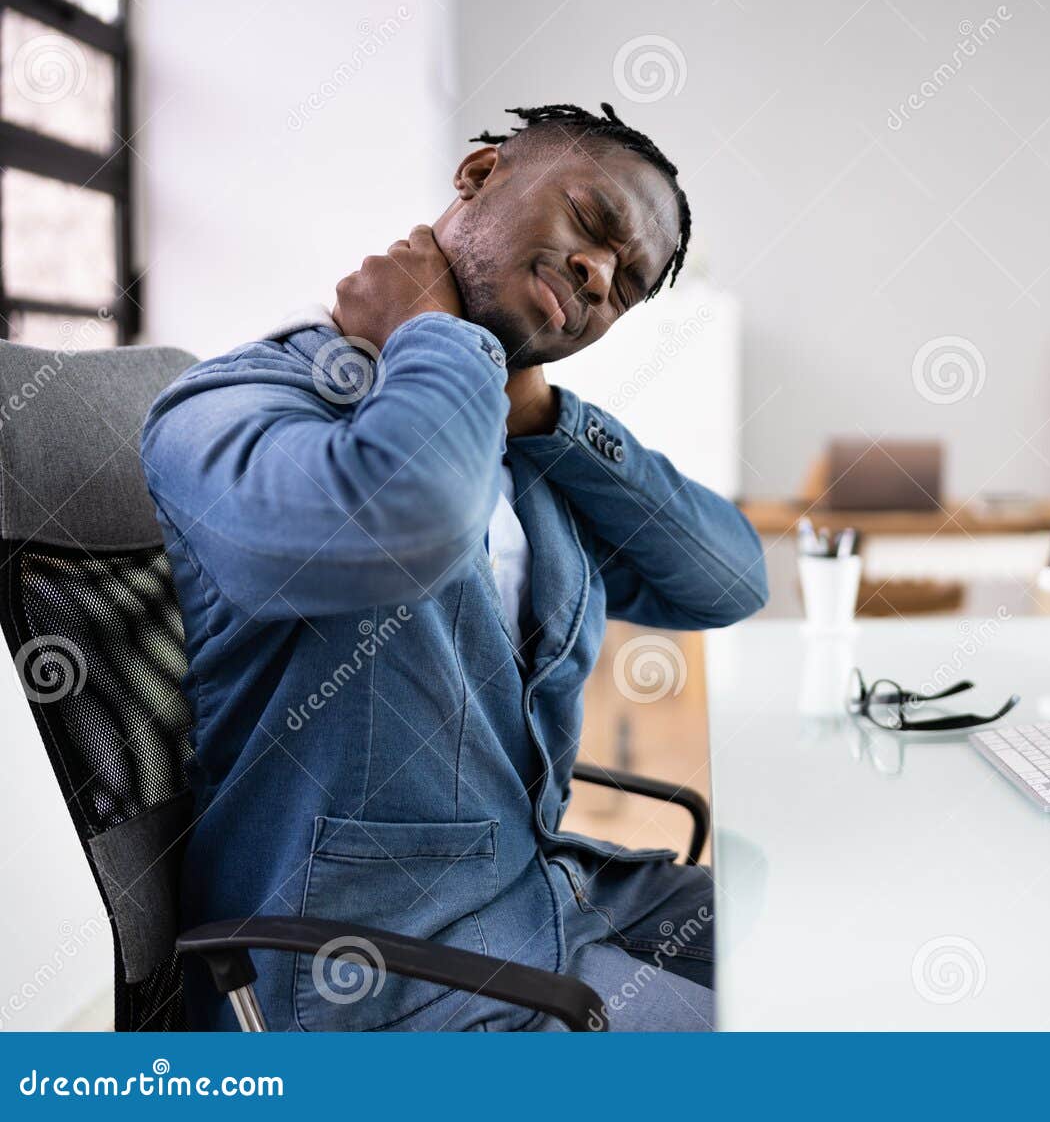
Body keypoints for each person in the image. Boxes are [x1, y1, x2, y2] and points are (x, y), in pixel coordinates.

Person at [141, 103, 767, 1032]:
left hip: (549, 895)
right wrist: (444, 338)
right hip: (375, 974)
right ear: (478, 175)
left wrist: (549, 419)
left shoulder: (529, 459)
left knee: (847, 945)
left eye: (627, 286)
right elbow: (406, 521)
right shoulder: (240, 401)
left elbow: (731, 577)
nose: (598, 276)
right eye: (591, 224)